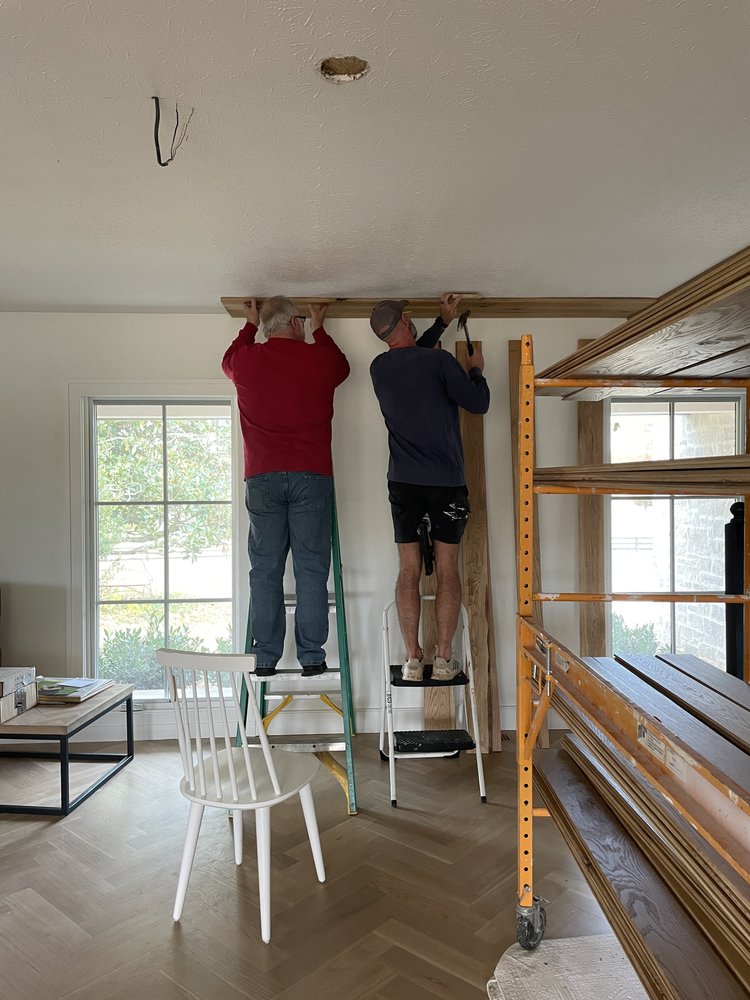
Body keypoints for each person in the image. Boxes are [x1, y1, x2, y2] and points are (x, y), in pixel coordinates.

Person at [222, 296, 350, 676]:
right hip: (311, 474)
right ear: (296, 322)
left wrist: (248, 324)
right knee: (311, 568)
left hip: (262, 477)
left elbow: (228, 360)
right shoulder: (318, 358)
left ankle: (265, 657)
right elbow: (342, 367)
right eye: (303, 322)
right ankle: (312, 655)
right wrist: (322, 327)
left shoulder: (247, 360)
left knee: (265, 569)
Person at [369, 293, 490, 681]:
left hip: (403, 483)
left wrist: (442, 321)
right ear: (406, 320)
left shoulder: (379, 368)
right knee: (448, 570)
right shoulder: (439, 361)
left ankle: (411, 659)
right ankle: (442, 659)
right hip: (445, 483)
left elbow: (411, 357)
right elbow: (479, 403)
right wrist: (475, 371)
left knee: (408, 569)